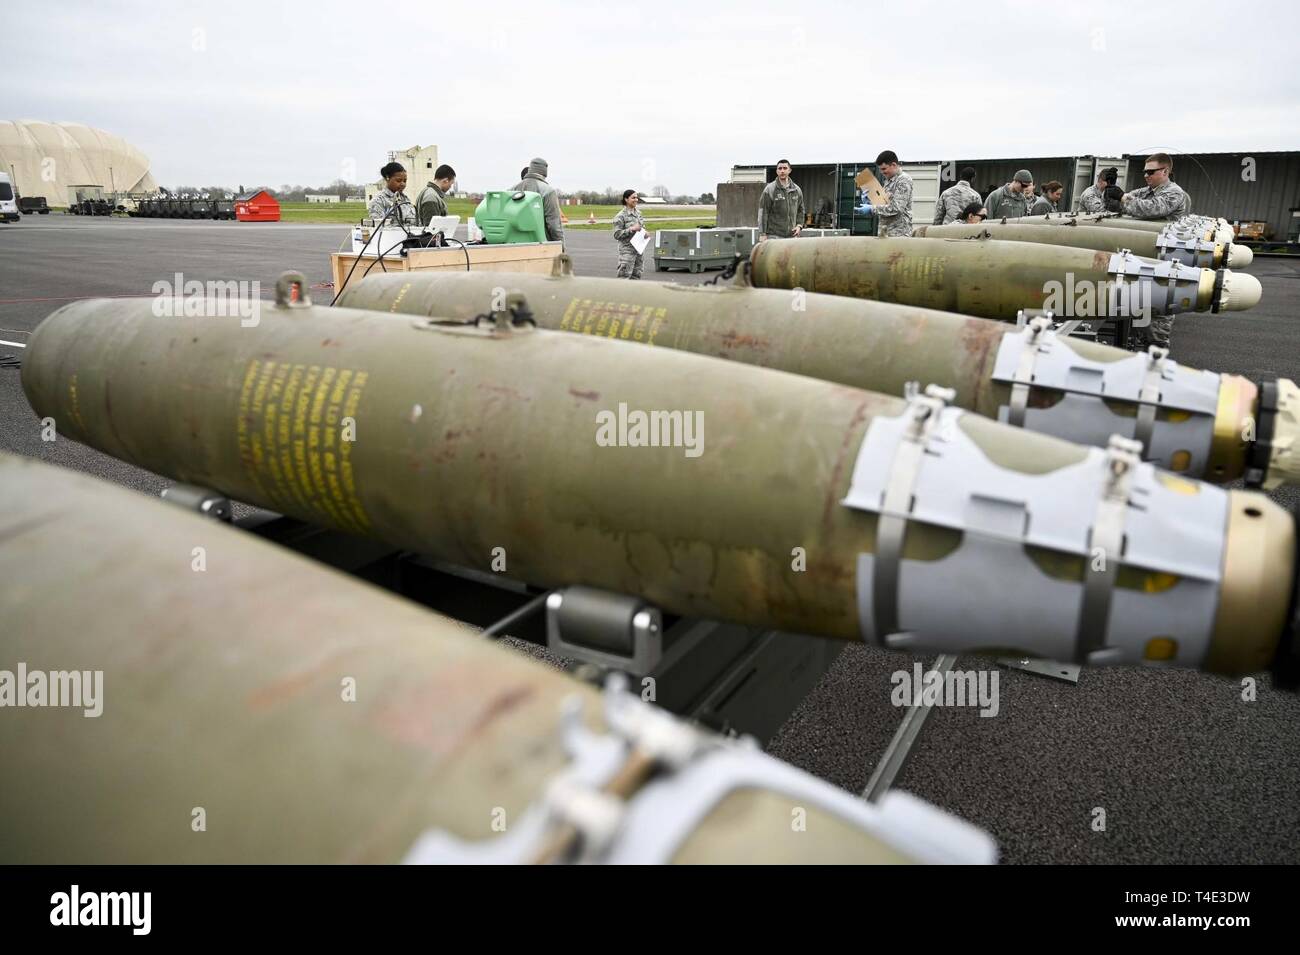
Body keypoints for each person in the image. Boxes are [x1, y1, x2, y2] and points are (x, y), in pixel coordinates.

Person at [1122, 153, 1192, 221]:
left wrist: (1123, 199)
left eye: (1150, 172)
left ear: (1165, 172)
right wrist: (1117, 196)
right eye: (1145, 172)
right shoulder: (1145, 191)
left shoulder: (1175, 192)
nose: (1145, 175)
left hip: (1165, 232)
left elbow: (1153, 209)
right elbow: (1126, 198)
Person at [861, 150, 913, 237]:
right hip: (886, 233)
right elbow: (884, 205)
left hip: (899, 235)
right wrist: (870, 202)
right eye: (880, 169)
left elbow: (897, 208)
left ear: (894, 165)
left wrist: (872, 209)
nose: (882, 172)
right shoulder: (888, 181)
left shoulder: (903, 180)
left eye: (884, 169)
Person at [514, 158, 564, 243]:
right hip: (541, 246)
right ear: (544, 172)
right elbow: (554, 225)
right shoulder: (548, 191)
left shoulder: (512, 189)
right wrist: (561, 246)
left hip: (515, 245)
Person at [757, 159, 805, 239]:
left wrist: (799, 226)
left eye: (785, 168)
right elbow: (763, 212)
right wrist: (762, 233)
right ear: (777, 171)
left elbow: (801, 210)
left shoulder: (796, 190)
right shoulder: (770, 189)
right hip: (774, 235)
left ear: (789, 170)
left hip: (791, 236)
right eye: (780, 168)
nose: (782, 171)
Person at [367, 161, 416, 226]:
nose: (403, 184)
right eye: (398, 180)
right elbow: (378, 228)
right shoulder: (378, 201)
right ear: (388, 178)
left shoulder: (406, 200)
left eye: (405, 181)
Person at [612, 189, 647, 279]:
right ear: (626, 199)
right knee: (623, 278)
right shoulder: (620, 216)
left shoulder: (639, 213)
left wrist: (645, 233)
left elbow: (641, 227)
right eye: (633, 198)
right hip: (627, 253)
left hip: (638, 251)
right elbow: (617, 234)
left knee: (636, 277)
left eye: (636, 197)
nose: (636, 200)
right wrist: (631, 229)